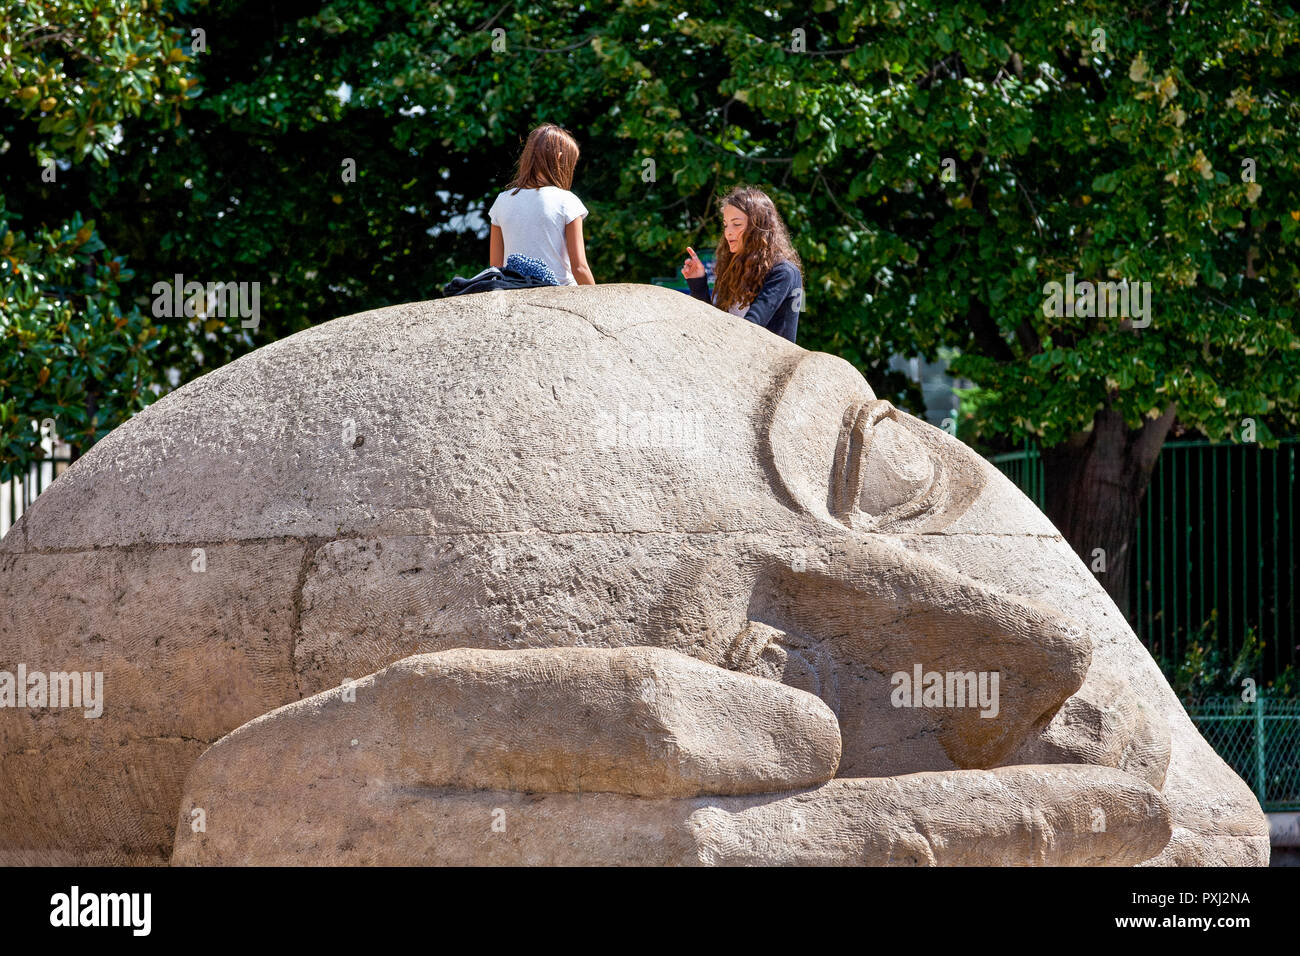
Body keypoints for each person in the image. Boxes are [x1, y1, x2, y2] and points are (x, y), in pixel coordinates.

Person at [681, 186, 803, 343]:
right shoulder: (733, 267)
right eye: (725, 225)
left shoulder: (784, 272)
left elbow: (750, 327)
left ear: (759, 227)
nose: (728, 232)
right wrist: (698, 283)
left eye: (736, 224)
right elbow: (713, 327)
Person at [488, 124, 595, 286]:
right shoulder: (567, 201)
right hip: (560, 291)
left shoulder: (502, 201)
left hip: (515, 290)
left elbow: (496, 266)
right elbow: (579, 268)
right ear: (559, 158)